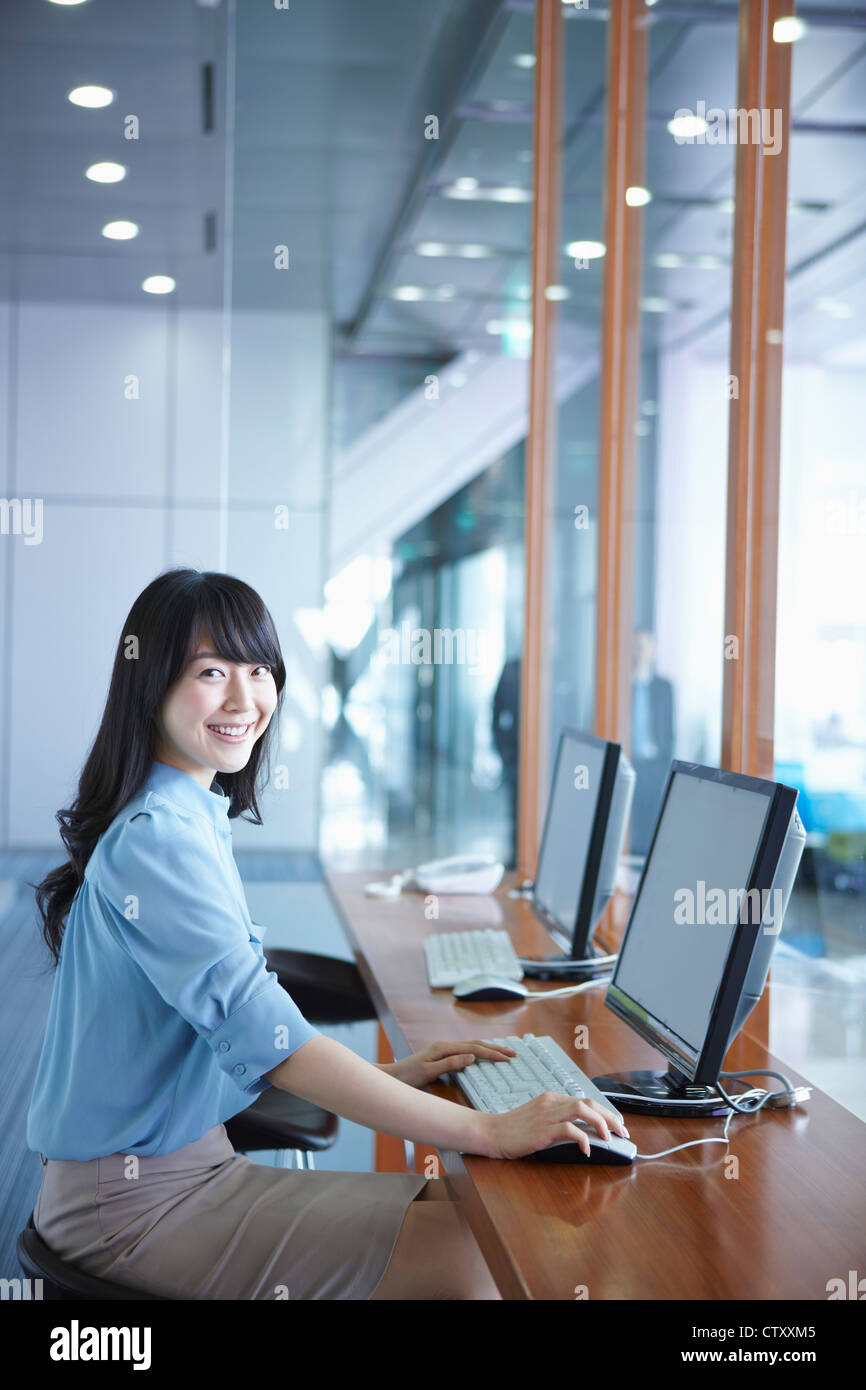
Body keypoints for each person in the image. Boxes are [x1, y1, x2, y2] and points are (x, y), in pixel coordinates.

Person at [27, 568, 628, 1301]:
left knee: (490, 1217)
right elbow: (267, 1041)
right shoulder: (158, 840)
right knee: (479, 1259)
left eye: (258, 671)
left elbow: (231, 1035)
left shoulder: (187, 813)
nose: (244, 700)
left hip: (190, 1171)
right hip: (132, 1210)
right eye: (211, 673)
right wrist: (492, 1131)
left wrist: (392, 1077)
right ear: (150, 684)